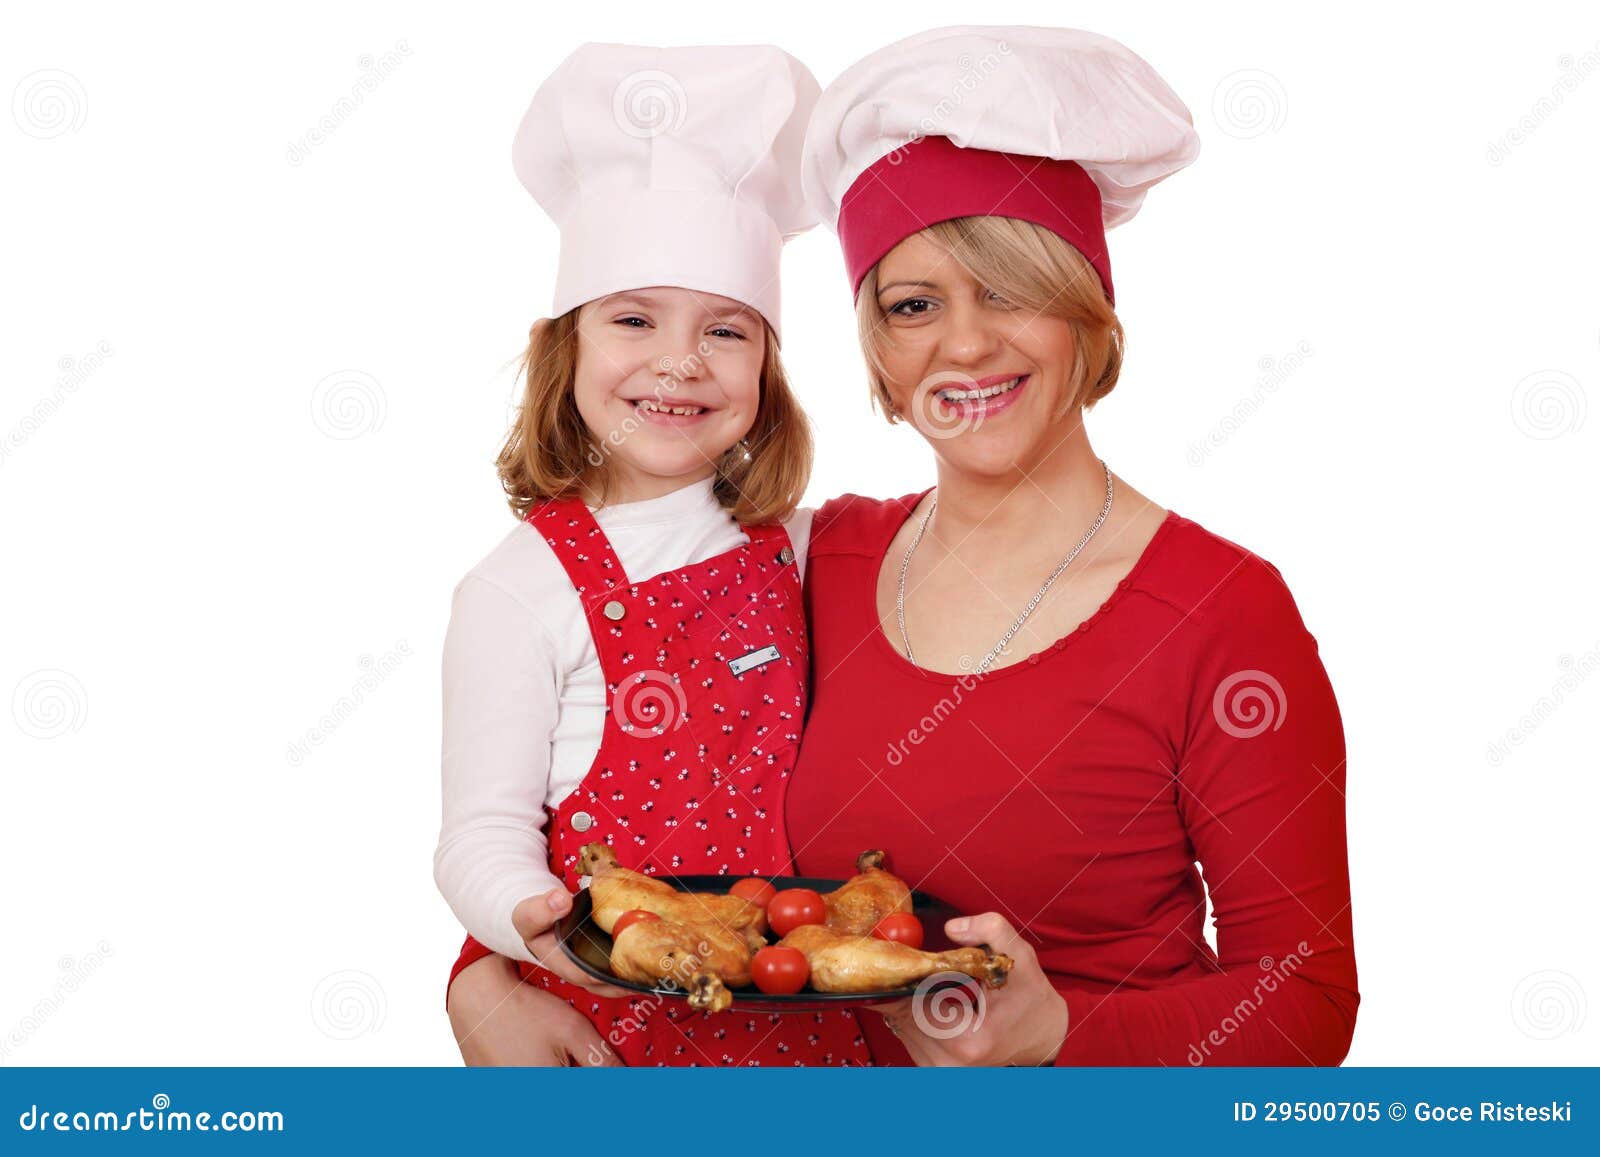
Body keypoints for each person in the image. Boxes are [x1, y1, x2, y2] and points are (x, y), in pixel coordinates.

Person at [786, 25, 1359, 1065]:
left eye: (1008, 289)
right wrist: (489, 965)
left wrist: (1060, 1032)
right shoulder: (818, 560)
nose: (966, 343)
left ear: (1086, 314)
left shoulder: (1220, 613)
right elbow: (613, 760)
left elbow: (1308, 999)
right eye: (914, 305)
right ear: (878, 350)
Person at [434, 42, 869, 1067]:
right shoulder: (516, 588)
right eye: (634, 319)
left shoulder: (807, 548)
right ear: (565, 347)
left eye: (727, 331)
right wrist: (523, 921)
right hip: (609, 1034)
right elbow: (479, 830)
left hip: (800, 1028)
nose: (680, 360)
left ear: (767, 369)